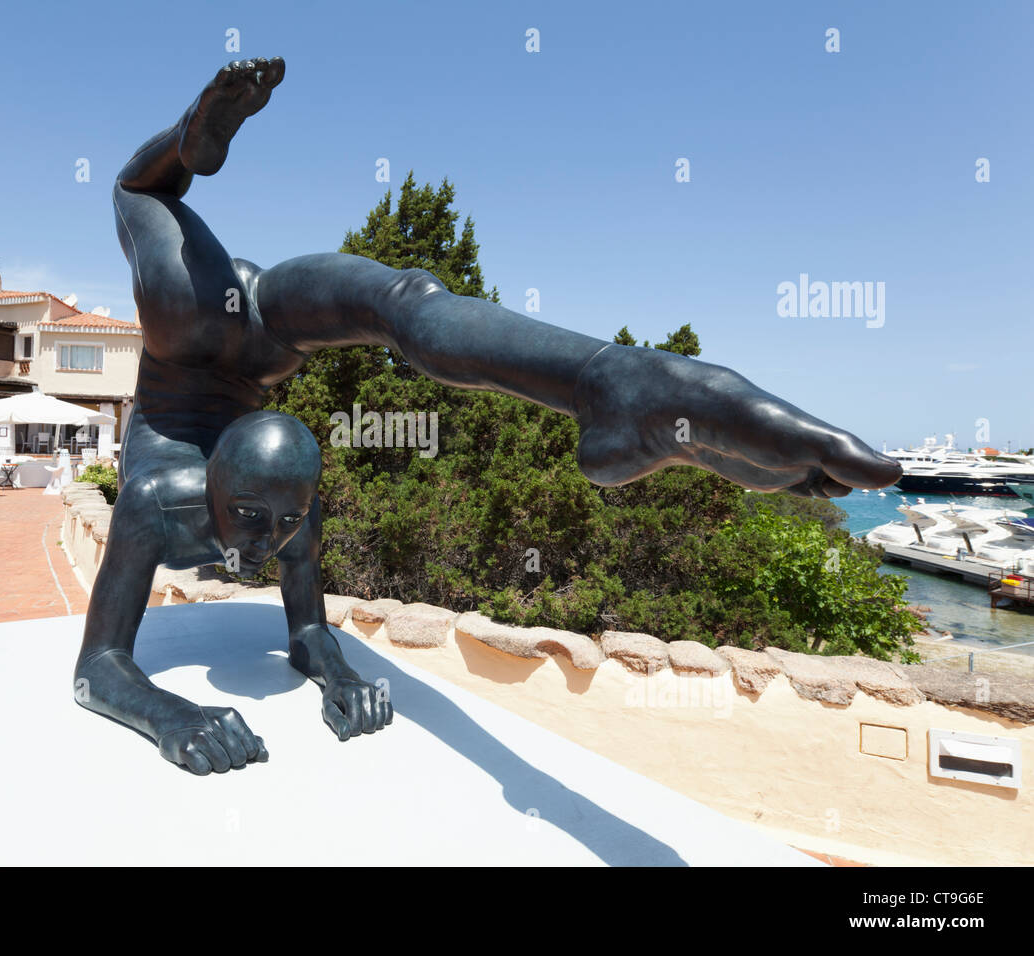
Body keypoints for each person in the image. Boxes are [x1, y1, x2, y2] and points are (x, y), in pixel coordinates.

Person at [75, 57, 901, 774]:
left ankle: (613, 383)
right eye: (254, 525)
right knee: (399, 300)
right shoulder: (185, 497)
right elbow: (99, 669)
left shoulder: (260, 500)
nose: (262, 546)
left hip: (218, 327)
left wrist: (340, 676)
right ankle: (183, 146)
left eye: (274, 527)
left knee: (408, 301)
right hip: (236, 333)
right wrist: (170, 716)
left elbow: (293, 637)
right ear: (220, 494)